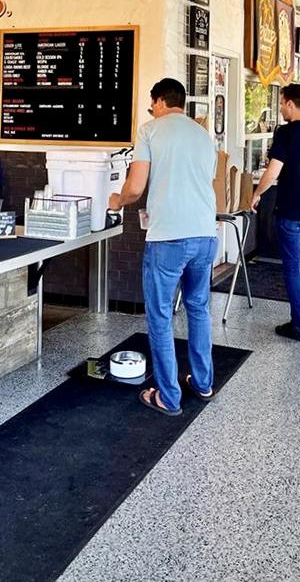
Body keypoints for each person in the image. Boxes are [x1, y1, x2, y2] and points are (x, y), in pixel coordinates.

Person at [109, 78, 217, 417]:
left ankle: (169, 397)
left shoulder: (149, 130)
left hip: (168, 237)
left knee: (159, 316)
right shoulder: (204, 135)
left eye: (151, 104)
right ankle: (203, 383)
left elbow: (136, 186)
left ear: (158, 101)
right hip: (205, 235)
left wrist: (117, 199)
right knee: (198, 309)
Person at [251, 83, 300, 341]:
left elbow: (273, 171)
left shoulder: (285, 133)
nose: (281, 108)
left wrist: (257, 193)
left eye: (282, 103)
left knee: (293, 267)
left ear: (292, 104)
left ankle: (299, 325)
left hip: (291, 210)